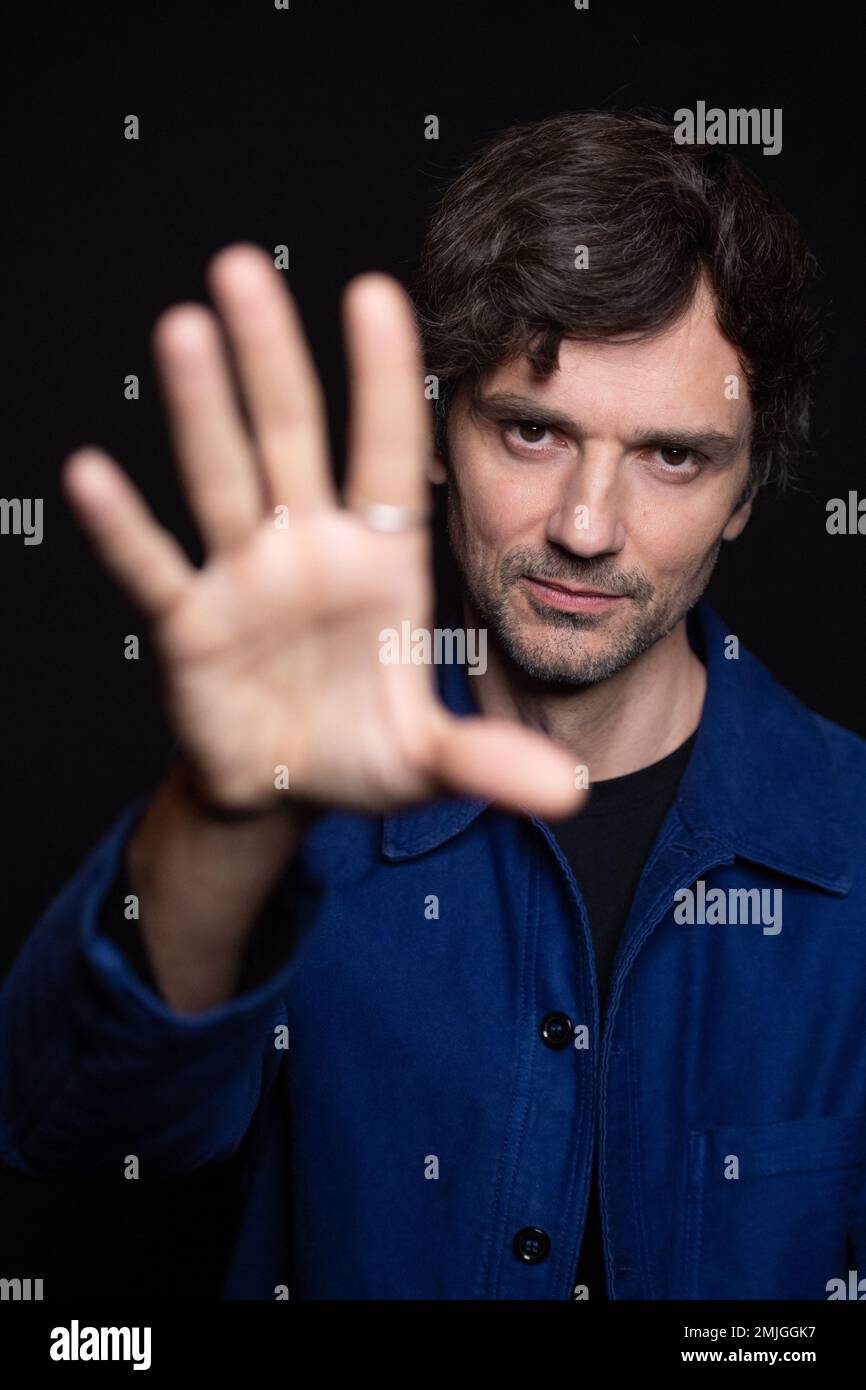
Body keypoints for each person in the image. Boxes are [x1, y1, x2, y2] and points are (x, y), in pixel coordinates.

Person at [2, 110, 865, 1302]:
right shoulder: (299, 815)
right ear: (438, 429)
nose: (583, 525)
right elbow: (65, 1128)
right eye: (530, 429)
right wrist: (221, 819)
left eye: (671, 456)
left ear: (743, 492)